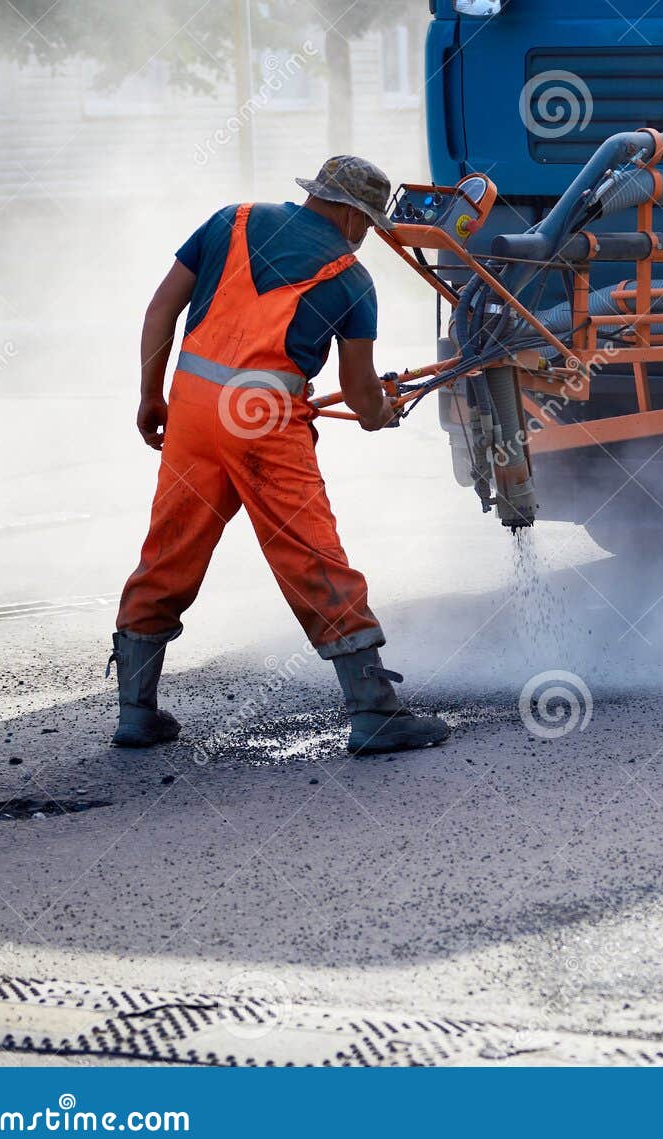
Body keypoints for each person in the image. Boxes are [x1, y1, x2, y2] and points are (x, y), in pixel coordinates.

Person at [109, 156, 450, 757]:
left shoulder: (229, 219)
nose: (365, 233)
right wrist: (380, 413)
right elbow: (364, 391)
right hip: (261, 420)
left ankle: (136, 713)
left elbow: (160, 311)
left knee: (171, 545)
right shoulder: (352, 278)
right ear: (350, 213)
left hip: (190, 406)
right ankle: (373, 712)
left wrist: (149, 395)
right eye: (367, 222)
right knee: (309, 550)